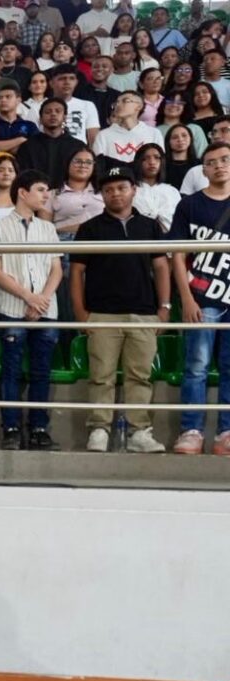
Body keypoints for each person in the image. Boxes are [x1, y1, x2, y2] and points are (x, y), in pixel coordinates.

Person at [73, 165, 172, 453]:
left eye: (121, 187)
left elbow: (161, 266)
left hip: (143, 311)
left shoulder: (150, 226)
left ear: (133, 190)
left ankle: (139, 432)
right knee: (100, 375)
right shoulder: (90, 228)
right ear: (102, 194)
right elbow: (77, 272)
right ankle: (99, 429)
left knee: (140, 375)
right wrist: (81, 313)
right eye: (108, 189)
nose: (115, 193)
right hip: (102, 313)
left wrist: (164, 307)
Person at [0, 169, 63, 450]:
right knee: (12, 370)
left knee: (42, 371)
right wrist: (28, 297)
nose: (46, 196)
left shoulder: (48, 228)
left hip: (46, 309)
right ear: (23, 192)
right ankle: (11, 428)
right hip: (12, 307)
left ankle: (40, 428)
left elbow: (56, 269)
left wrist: (40, 298)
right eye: (41, 190)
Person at [168, 139, 230, 455]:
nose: (219, 165)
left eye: (225, 159)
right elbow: (177, 255)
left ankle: (226, 432)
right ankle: (191, 429)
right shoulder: (189, 205)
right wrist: (186, 298)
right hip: (202, 297)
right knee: (197, 364)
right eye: (212, 161)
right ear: (203, 169)